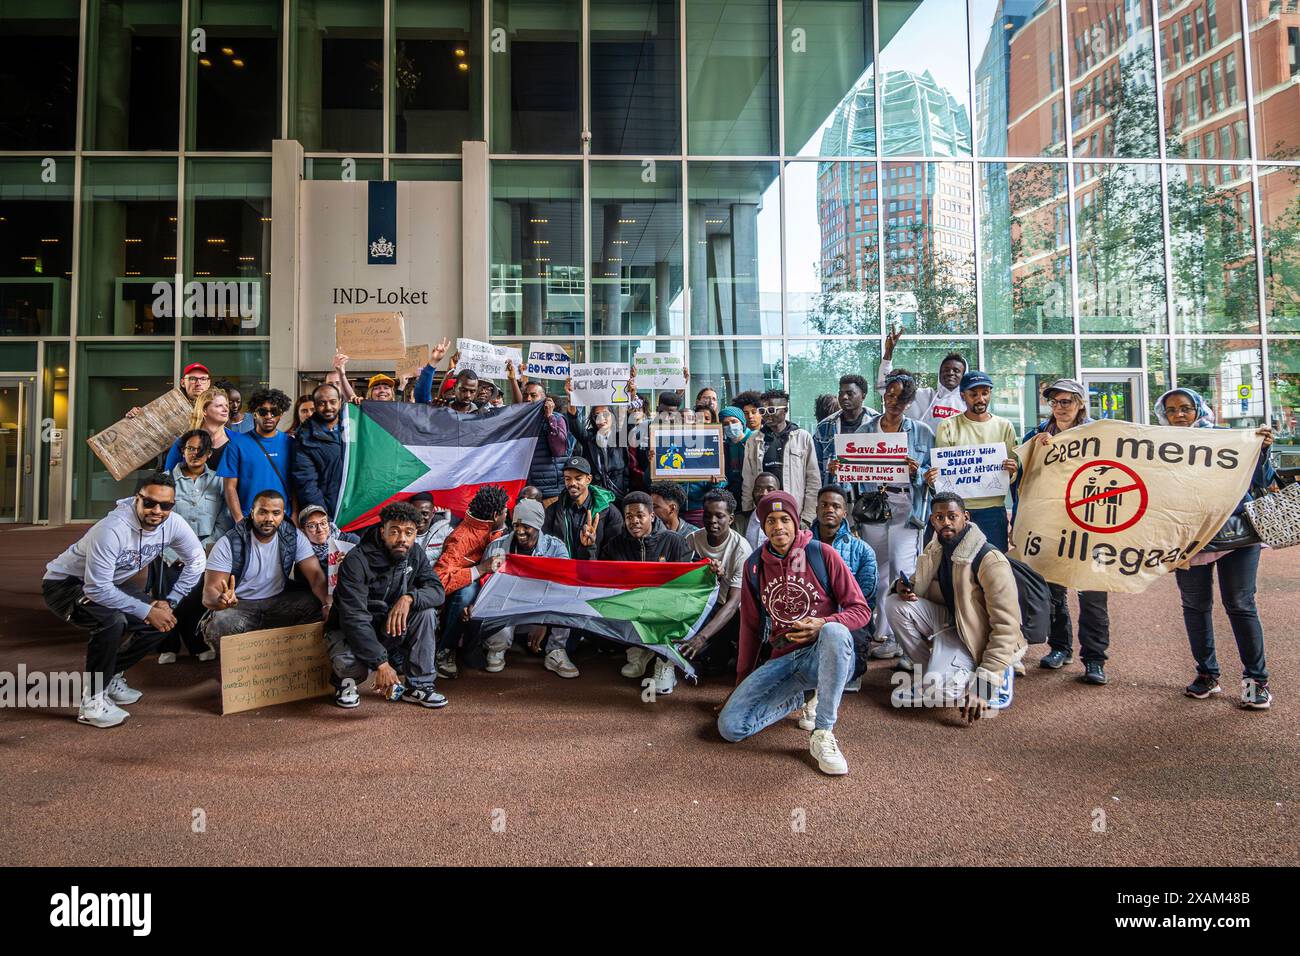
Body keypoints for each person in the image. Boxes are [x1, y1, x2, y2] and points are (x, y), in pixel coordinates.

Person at [717, 491, 871, 776]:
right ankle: (799, 698)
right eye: (771, 521)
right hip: (785, 660)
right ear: (763, 527)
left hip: (825, 656)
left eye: (785, 519)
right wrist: (739, 684)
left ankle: (823, 732)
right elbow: (750, 627)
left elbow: (860, 610)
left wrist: (823, 622)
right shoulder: (754, 566)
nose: (778, 527)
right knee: (731, 727)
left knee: (835, 631)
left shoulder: (821, 553)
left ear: (797, 521)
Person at [43, 472, 206, 728]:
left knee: (164, 621)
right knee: (111, 621)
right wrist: (146, 609)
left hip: (111, 584)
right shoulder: (112, 529)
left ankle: (111, 676)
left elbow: (197, 561)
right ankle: (92, 703)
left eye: (166, 505)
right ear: (136, 499)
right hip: (66, 585)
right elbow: (96, 589)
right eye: (149, 503)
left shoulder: (173, 523)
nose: (157, 511)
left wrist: (171, 601)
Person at [1158, 387, 1276, 709]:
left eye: (1185, 408)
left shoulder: (1228, 438)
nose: (1179, 415)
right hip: (1189, 538)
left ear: (1198, 409)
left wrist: (1261, 449)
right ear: (1163, 415)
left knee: (1240, 603)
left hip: (1236, 535)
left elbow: (1261, 481)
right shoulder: (1157, 448)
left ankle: (1256, 681)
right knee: (1194, 606)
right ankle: (1207, 675)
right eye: (1171, 410)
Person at [885, 492, 1022, 719]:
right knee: (894, 604)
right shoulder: (936, 547)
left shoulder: (990, 559)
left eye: (952, 516)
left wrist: (984, 684)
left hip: (979, 636)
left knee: (940, 692)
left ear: (965, 517)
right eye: (939, 517)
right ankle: (935, 670)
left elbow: (1007, 626)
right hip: (953, 624)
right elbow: (919, 585)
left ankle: (1000, 670)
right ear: (932, 521)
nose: (946, 522)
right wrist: (900, 585)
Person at [1019, 379, 1111, 684]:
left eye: (1067, 402)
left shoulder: (1101, 435)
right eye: (1055, 402)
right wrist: (1034, 454)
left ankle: (1095, 659)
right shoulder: (1038, 435)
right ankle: (1060, 648)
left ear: (1081, 404)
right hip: (1052, 526)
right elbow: (1022, 478)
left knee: (1093, 595)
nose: (1060, 408)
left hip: (1094, 529)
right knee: (1053, 592)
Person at [847, 370, 934, 659]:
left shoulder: (922, 432)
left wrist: (917, 472)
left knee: (902, 568)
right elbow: (852, 466)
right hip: (874, 505)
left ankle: (904, 636)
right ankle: (881, 631)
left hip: (907, 508)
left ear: (910, 402)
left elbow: (934, 474)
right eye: (890, 395)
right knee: (878, 570)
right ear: (883, 396)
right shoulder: (865, 431)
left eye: (901, 397)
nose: (894, 401)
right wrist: (842, 468)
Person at [328, 502, 447, 710]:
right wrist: (382, 664)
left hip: (389, 627)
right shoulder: (356, 560)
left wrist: (409, 598)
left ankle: (419, 686)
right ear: (382, 531)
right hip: (351, 628)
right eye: (395, 531)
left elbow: (437, 591)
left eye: (409, 532)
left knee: (426, 612)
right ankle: (344, 683)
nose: (402, 538)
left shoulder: (415, 553)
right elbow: (354, 617)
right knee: (350, 665)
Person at [201, 489, 328, 651]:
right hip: (239, 605)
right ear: (252, 513)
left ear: (283, 515)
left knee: (315, 604)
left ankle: (287, 659)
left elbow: (316, 577)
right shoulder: (229, 542)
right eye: (263, 512)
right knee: (219, 625)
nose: (269, 519)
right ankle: (241, 669)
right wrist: (220, 600)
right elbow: (209, 592)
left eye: (276, 513)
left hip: (278, 601)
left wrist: (327, 604)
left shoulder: (293, 536)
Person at [603, 491, 695, 695]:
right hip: (632, 607)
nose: (634, 521)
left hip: (666, 609)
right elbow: (599, 580)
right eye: (629, 516)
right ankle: (639, 651)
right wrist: (588, 546)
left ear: (652, 516)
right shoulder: (615, 545)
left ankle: (665, 663)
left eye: (640, 516)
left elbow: (688, 584)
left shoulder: (674, 542)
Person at [158, 428, 232, 663]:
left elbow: (224, 518)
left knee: (198, 599)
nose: (196, 454)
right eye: (190, 448)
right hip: (171, 551)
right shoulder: (167, 480)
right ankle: (168, 644)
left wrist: (205, 550)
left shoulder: (218, 481)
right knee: (169, 598)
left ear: (209, 453)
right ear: (182, 451)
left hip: (204, 549)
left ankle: (197, 645)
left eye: (201, 450)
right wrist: (172, 552)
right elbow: (157, 520)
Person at [926, 371, 1018, 552]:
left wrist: (1012, 469)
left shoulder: (1004, 426)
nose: (980, 399)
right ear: (963, 396)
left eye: (985, 393)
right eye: (973, 394)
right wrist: (933, 478)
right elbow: (943, 471)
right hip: (956, 511)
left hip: (992, 509)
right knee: (955, 565)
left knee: (994, 564)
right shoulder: (948, 425)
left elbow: (1012, 472)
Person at [477, 497, 570, 674]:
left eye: (526, 526)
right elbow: (488, 587)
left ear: (538, 526)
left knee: (566, 599)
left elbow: (561, 586)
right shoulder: (497, 546)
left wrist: (541, 620)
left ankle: (556, 650)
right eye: (516, 525)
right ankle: (497, 648)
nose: (520, 531)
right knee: (494, 611)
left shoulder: (555, 548)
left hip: (541, 606)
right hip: (508, 605)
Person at [433, 485, 511, 679]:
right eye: (505, 512)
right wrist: (480, 568)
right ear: (495, 515)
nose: (507, 514)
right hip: (453, 601)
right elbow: (439, 582)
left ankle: (472, 646)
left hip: (488, 590)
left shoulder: (498, 530)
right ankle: (445, 650)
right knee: (468, 592)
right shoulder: (461, 538)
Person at [680, 490, 752, 679]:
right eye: (708, 515)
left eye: (719, 516)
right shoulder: (693, 540)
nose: (712, 520)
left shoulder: (741, 548)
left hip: (729, 612)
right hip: (699, 605)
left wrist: (701, 637)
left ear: (730, 518)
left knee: (715, 667)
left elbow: (734, 602)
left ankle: (728, 648)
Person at [813, 485, 878, 688]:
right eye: (824, 505)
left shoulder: (863, 550)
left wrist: (834, 617)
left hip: (846, 614)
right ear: (816, 509)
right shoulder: (801, 544)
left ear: (844, 512)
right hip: (811, 611)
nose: (829, 509)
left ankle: (850, 671)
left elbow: (865, 595)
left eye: (835, 506)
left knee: (854, 641)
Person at [741, 388, 821, 527]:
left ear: (785, 410)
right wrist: (748, 510)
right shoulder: (754, 440)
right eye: (763, 411)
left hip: (795, 513)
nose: (767, 415)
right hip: (763, 513)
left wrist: (807, 518)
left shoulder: (802, 437)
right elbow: (748, 479)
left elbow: (813, 480)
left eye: (771, 410)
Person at [219, 387, 295, 525]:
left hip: (283, 519)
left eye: (274, 411)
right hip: (249, 519)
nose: (268, 416)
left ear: (281, 413)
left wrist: (294, 515)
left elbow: (296, 483)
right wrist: (239, 519)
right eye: (263, 411)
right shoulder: (237, 444)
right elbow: (229, 487)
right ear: (254, 413)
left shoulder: (290, 443)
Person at [877, 328, 967, 433]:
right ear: (939, 373)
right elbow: (883, 388)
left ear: (963, 375)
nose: (950, 373)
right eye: (946, 369)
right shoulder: (924, 396)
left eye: (956, 371)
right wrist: (888, 354)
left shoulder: (968, 401)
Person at [543, 456, 624, 561]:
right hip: (562, 574)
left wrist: (589, 549)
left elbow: (615, 553)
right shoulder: (552, 511)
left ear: (588, 479)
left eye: (578, 478)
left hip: (597, 574)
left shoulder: (609, 512)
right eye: (568, 478)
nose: (572, 483)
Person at [512, 371, 570, 504]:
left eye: (533, 395)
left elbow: (558, 450)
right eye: (526, 395)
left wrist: (549, 418)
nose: (528, 399)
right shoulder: (522, 422)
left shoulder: (557, 418)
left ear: (544, 399)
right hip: (527, 490)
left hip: (550, 491)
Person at [292, 383, 346, 516]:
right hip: (329, 513)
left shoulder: (355, 426)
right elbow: (307, 484)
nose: (328, 407)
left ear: (340, 402)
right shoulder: (304, 437)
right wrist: (323, 516)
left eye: (333, 402)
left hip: (358, 509)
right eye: (322, 403)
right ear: (315, 406)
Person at [163, 386, 234, 472]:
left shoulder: (239, 440)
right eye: (219, 406)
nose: (226, 409)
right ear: (204, 410)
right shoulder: (183, 442)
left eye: (226, 405)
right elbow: (168, 477)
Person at [575, 405, 629, 501]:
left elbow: (629, 423)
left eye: (605, 414)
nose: (601, 418)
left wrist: (630, 397)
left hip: (619, 493)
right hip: (596, 495)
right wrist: (572, 400)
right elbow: (574, 424)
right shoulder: (588, 437)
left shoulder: (620, 437)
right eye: (596, 416)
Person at [124, 362, 212, 420]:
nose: (198, 383)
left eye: (203, 379)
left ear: (208, 383)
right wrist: (136, 415)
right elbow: (149, 422)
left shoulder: (219, 406)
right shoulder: (167, 405)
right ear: (183, 383)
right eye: (192, 379)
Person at [719, 404, 751, 502]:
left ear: (742, 423)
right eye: (726, 424)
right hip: (731, 494)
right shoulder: (723, 446)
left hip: (750, 492)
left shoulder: (754, 441)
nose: (730, 426)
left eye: (734, 421)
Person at [409, 492, 452, 563]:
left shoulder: (446, 532)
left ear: (432, 514)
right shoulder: (399, 533)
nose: (419, 518)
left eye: (425, 513)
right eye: (414, 513)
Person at [745, 471, 780, 551]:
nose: (764, 493)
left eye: (770, 489)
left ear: (778, 493)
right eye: (758, 489)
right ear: (753, 492)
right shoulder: (739, 521)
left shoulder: (786, 523)